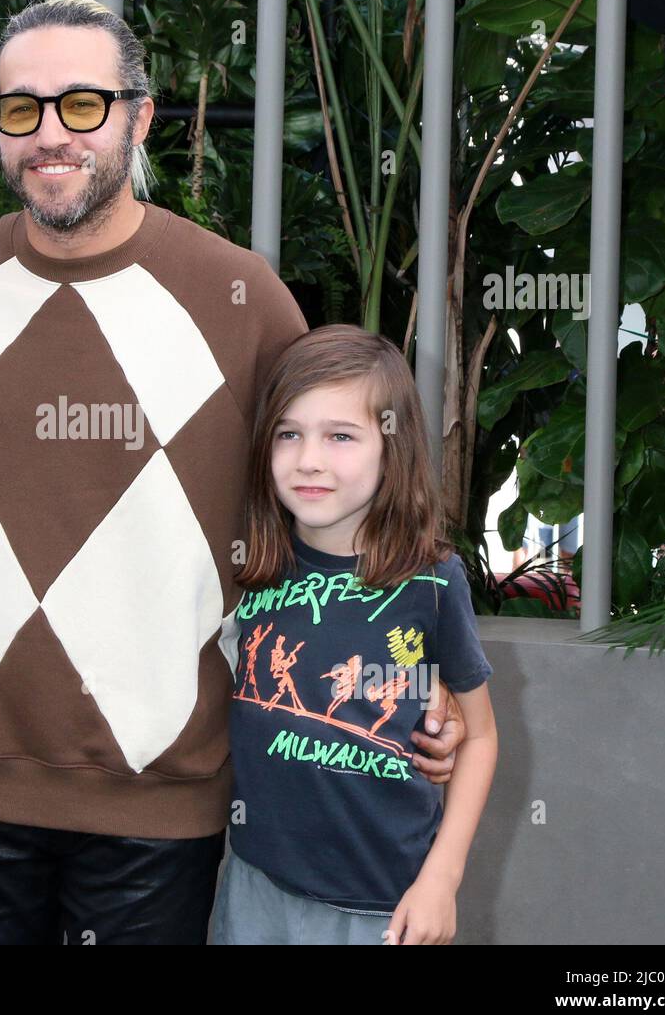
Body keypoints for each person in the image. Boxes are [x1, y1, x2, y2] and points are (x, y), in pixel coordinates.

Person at [0, 0, 467, 945]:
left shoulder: (238, 298)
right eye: (20, 108)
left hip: (162, 806)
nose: (49, 134)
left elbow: (329, 515)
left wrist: (414, 674)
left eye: (82, 105)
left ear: (140, 116)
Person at [211, 325, 498, 945]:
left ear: (392, 448)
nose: (309, 459)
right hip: (255, 887)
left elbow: (478, 736)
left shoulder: (433, 582)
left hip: (384, 906)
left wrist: (440, 882)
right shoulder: (253, 564)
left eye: (341, 436)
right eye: (289, 434)